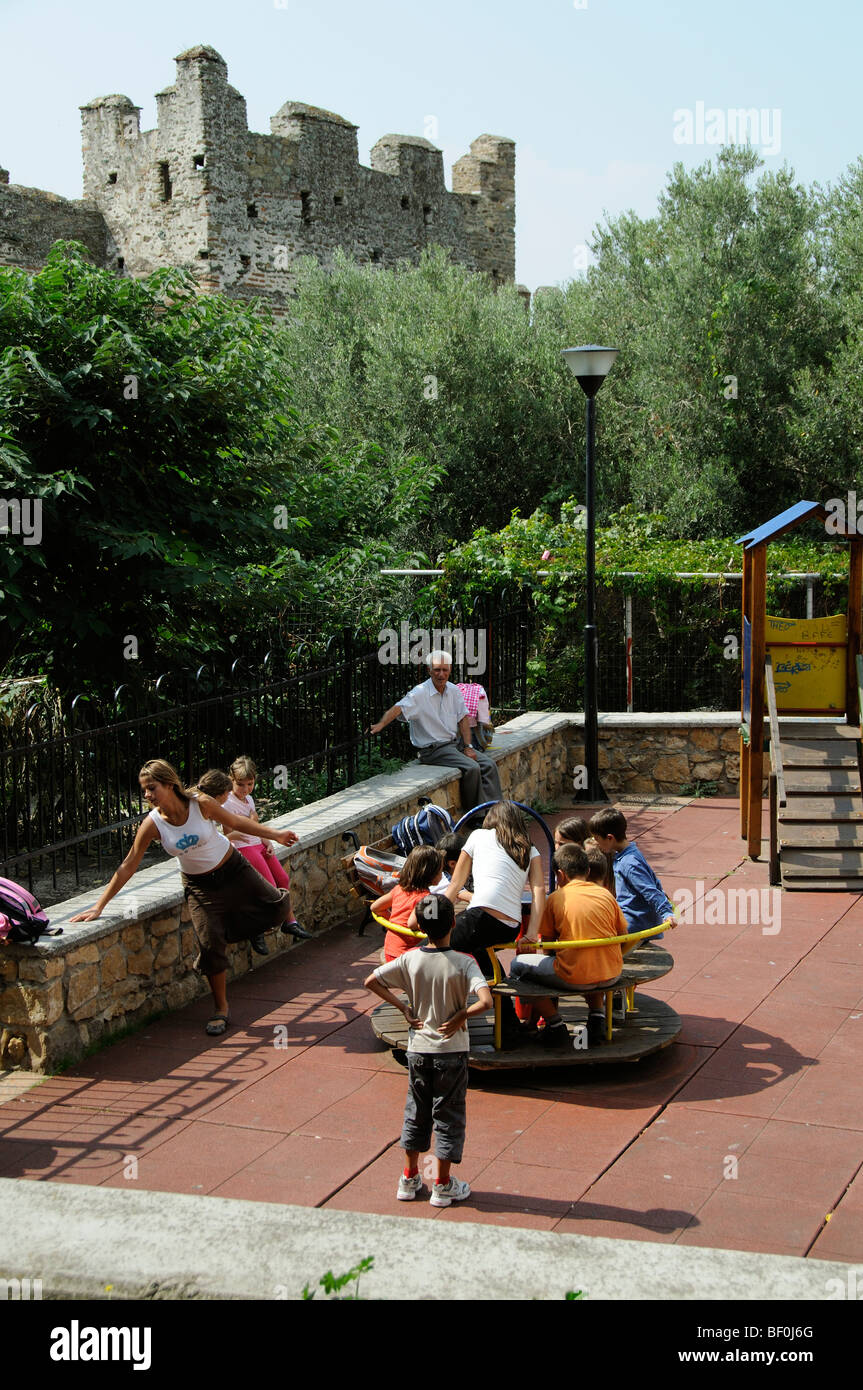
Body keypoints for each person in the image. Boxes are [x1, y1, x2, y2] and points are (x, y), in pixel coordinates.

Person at [70, 759, 301, 1038]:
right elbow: (129, 864)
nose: (147, 795)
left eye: (151, 788)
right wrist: (99, 906)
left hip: (232, 869)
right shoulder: (153, 824)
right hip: (199, 885)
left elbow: (235, 822)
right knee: (210, 943)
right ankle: (221, 1009)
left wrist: (275, 834)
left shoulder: (199, 803)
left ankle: (234, 931)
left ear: (169, 784)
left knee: (278, 907)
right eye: (144, 790)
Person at [364, 894, 492, 1207]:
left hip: (418, 1049)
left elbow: (371, 981)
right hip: (452, 1050)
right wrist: (463, 1014)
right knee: (448, 1115)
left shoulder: (410, 960)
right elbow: (485, 1001)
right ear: (453, 923)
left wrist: (404, 1009)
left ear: (419, 926)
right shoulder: (464, 962)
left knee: (416, 1112)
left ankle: (409, 1178)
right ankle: (443, 1184)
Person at [509, 842, 627, 1048]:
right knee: (591, 960)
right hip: (611, 973)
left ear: (560, 875)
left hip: (576, 976)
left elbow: (546, 946)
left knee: (518, 966)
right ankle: (597, 1016)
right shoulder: (607, 895)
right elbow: (623, 935)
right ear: (588, 870)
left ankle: (555, 1025)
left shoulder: (556, 898)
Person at [369, 650, 501, 812]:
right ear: (429, 670)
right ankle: (477, 816)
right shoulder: (420, 692)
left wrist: (468, 746)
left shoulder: (453, 690)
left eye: (445, 670)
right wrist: (381, 724)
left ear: (450, 670)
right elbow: (398, 708)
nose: (441, 674)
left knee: (489, 764)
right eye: (437, 670)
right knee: (472, 768)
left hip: (454, 745)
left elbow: (463, 719)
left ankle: (496, 812)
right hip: (432, 750)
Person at [222, 755, 310, 938]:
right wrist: (243, 828)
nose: (246, 789)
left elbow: (256, 827)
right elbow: (228, 834)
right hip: (244, 847)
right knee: (269, 886)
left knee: (282, 879)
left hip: (257, 843)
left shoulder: (250, 800)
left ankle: (290, 921)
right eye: (241, 784)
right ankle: (260, 928)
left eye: (250, 784)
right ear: (231, 780)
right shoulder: (228, 802)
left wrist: (266, 840)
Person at [589, 808, 673, 943]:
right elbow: (653, 880)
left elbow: (649, 889)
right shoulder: (629, 854)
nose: (595, 842)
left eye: (597, 838)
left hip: (634, 922)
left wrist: (666, 912)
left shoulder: (629, 863)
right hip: (631, 917)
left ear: (610, 838)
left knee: (590, 930)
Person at [371, 845, 444, 961]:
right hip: (408, 957)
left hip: (390, 951)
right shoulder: (428, 900)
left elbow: (375, 907)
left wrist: (394, 922)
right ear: (430, 874)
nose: (442, 875)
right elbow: (412, 924)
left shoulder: (399, 889)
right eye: (441, 871)